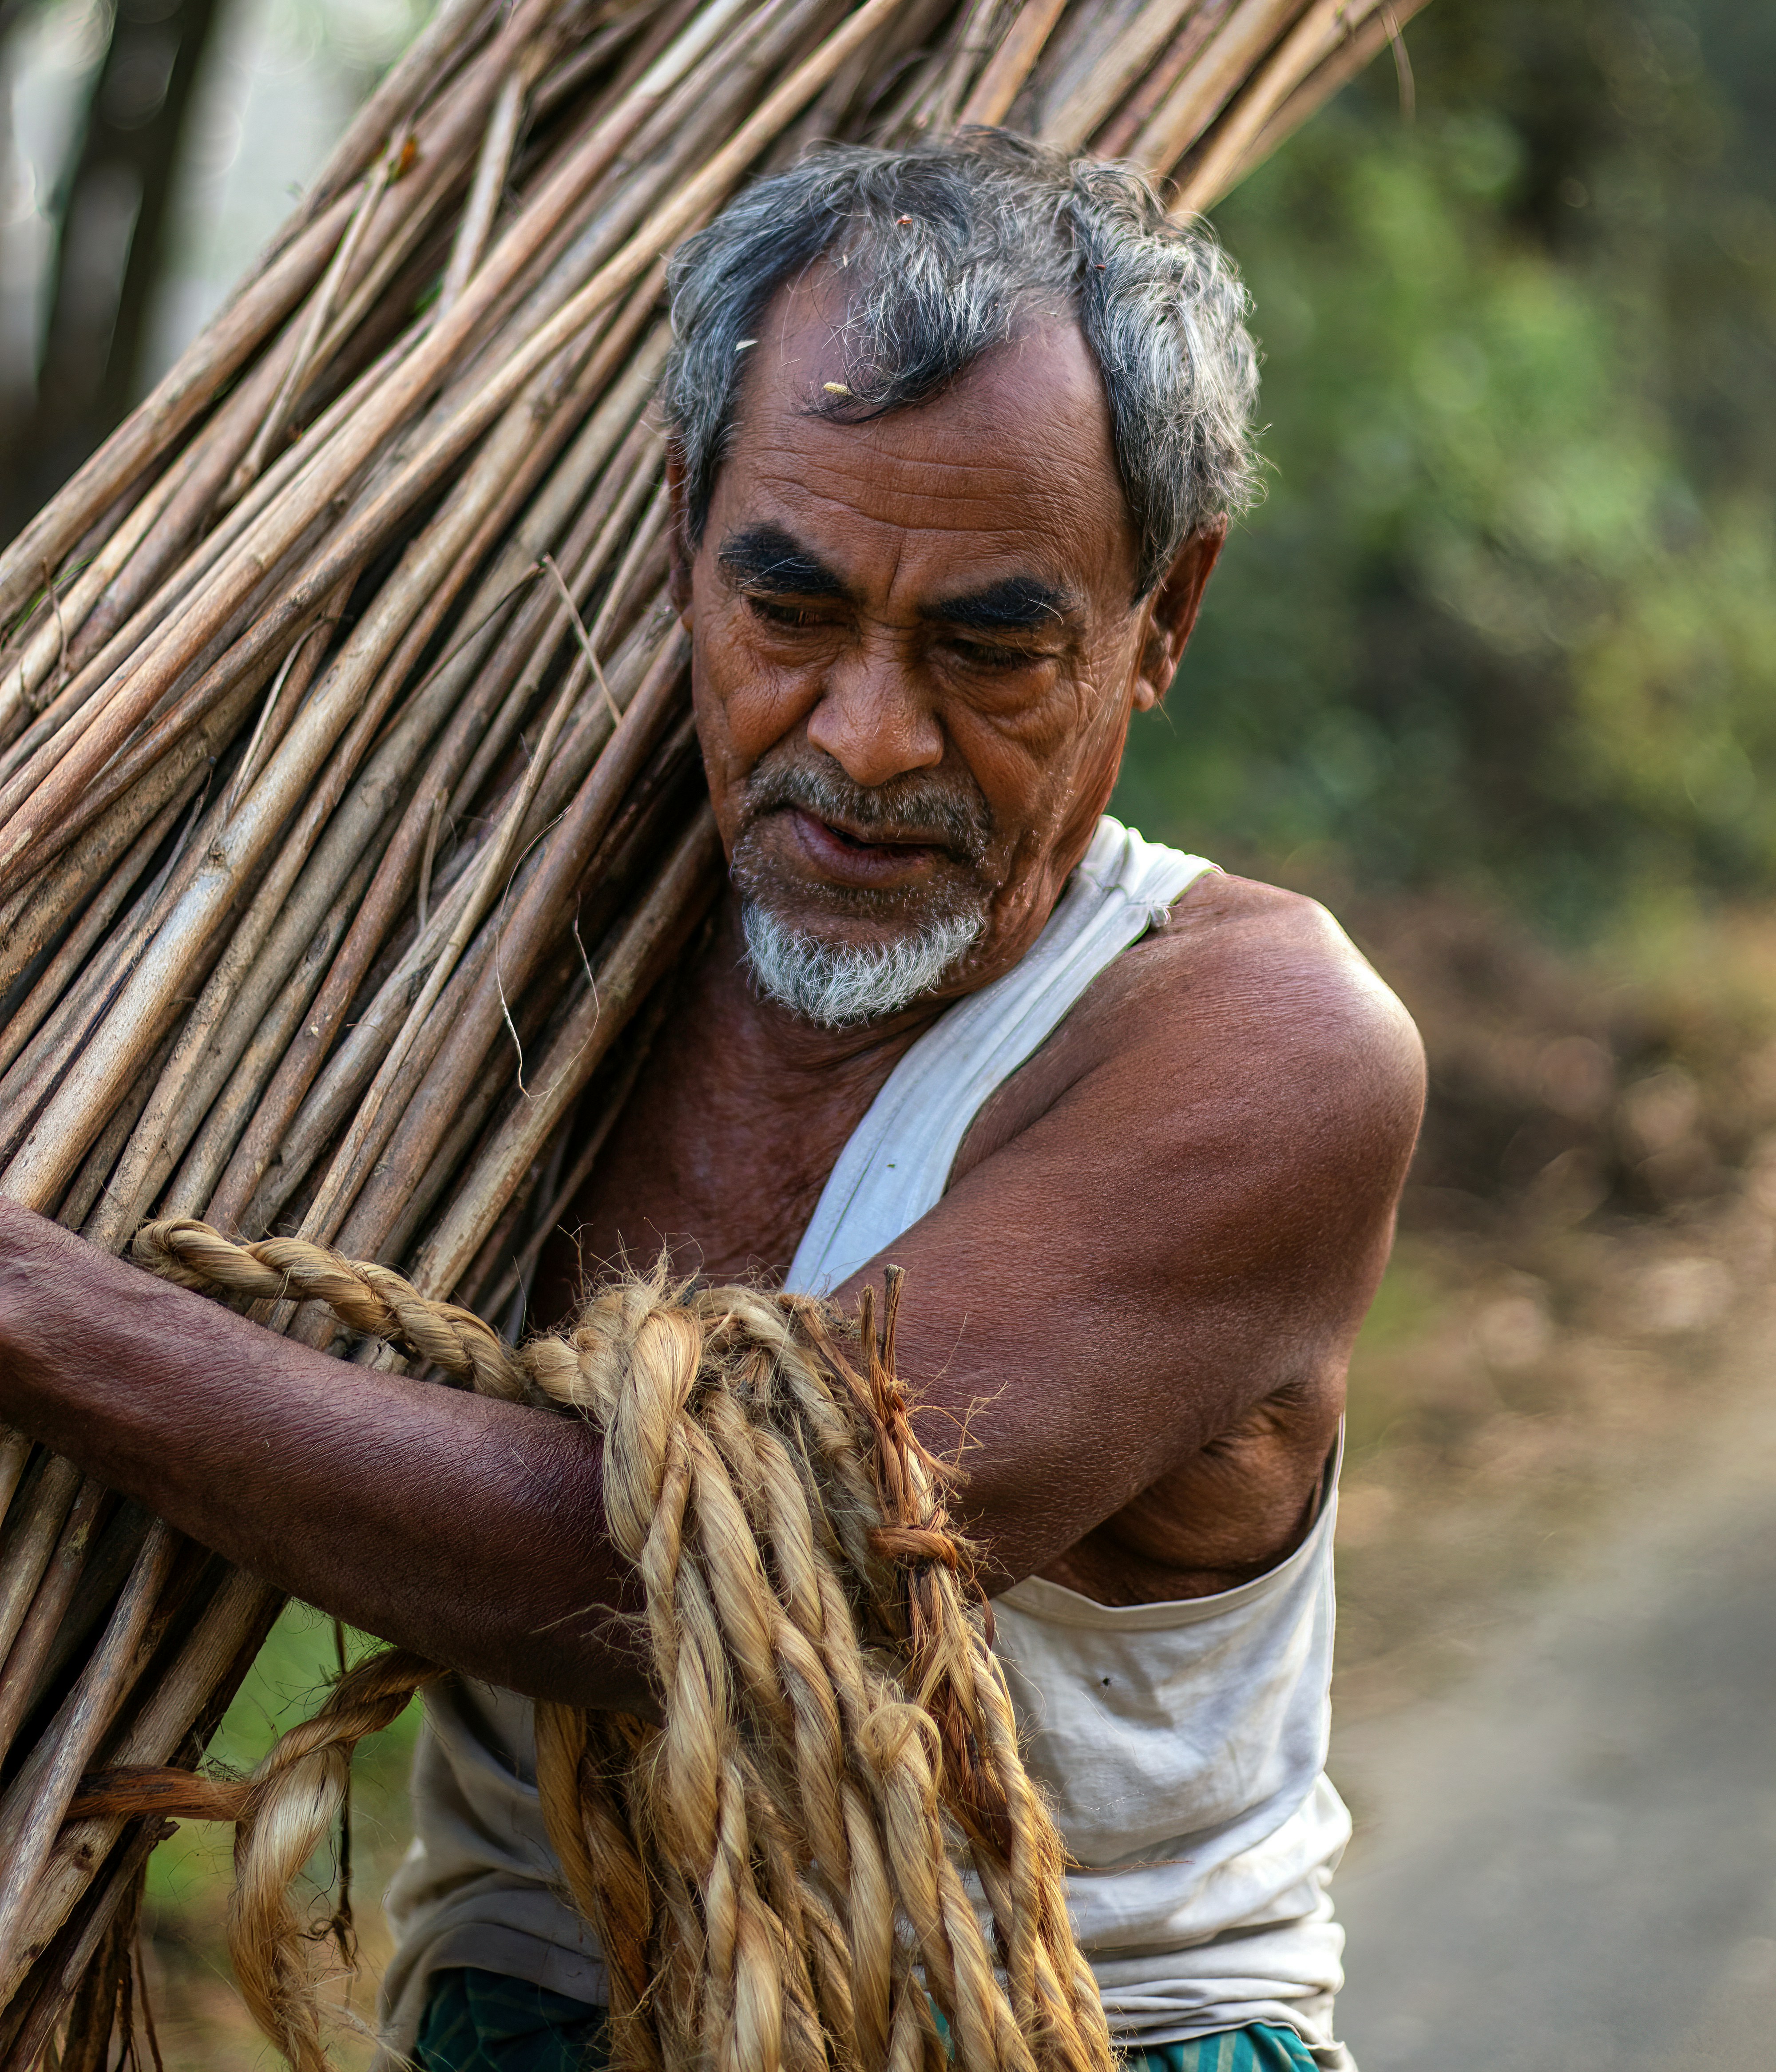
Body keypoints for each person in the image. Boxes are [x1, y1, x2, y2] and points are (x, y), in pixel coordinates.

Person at [0, 132, 1423, 2072]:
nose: (863, 736)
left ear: (1162, 616)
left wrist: (36, 1305)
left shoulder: (1262, 1045)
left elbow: (716, 1572)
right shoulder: (480, 953)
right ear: (684, 529)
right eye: (794, 610)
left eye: (988, 646)